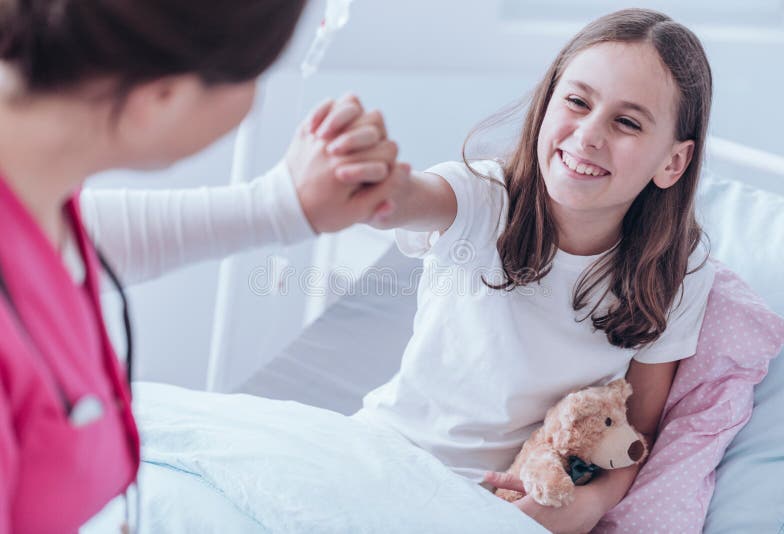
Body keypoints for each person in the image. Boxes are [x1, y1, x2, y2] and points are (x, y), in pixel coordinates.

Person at [0, 0, 406, 532]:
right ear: (161, 97)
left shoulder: (35, 185)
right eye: (253, 77)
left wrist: (282, 205)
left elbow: (66, 247)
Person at [349, 8, 715, 533]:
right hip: (384, 458)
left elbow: (635, 432)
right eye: (577, 102)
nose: (588, 135)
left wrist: (587, 505)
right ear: (547, 103)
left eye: (627, 122)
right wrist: (373, 183)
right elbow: (408, 198)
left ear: (673, 163)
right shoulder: (480, 197)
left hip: (511, 504)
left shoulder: (680, 269)